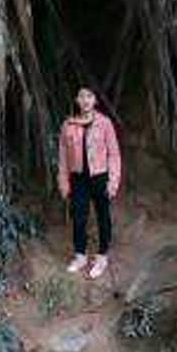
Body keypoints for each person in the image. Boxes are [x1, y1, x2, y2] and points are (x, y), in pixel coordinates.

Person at [56, 87, 122, 279]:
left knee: (103, 216)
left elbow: (114, 154)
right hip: (78, 178)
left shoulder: (104, 123)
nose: (85, 100)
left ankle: (102, 256)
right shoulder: (68, 125)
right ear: (77, 100)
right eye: (82, 96)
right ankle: (80, 255)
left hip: (100, 176)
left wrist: (113, 182)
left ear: (95, 100)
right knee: (78, 216)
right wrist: (63, 183)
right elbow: (63, 158)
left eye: (89, 96)